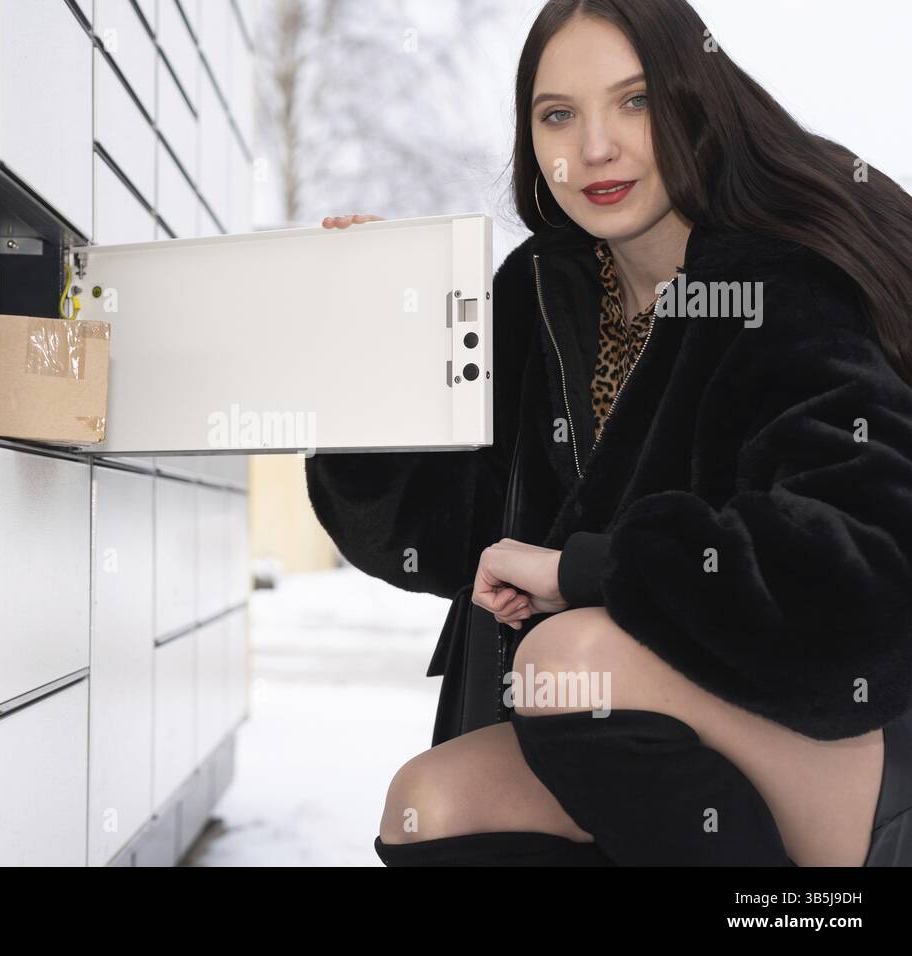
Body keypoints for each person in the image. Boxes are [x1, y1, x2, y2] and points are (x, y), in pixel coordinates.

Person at [306, 0, 912, 866]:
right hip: (634, 741)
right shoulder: (543, 294)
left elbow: (862, 572)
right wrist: (378, 361)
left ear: (693, 104)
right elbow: (444, 535)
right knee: (429, 804)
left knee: (566, 659)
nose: (594, 148)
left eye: (633, 102)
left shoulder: (784, 279)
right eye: (559, 114)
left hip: (839, 730)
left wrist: (588, 570)